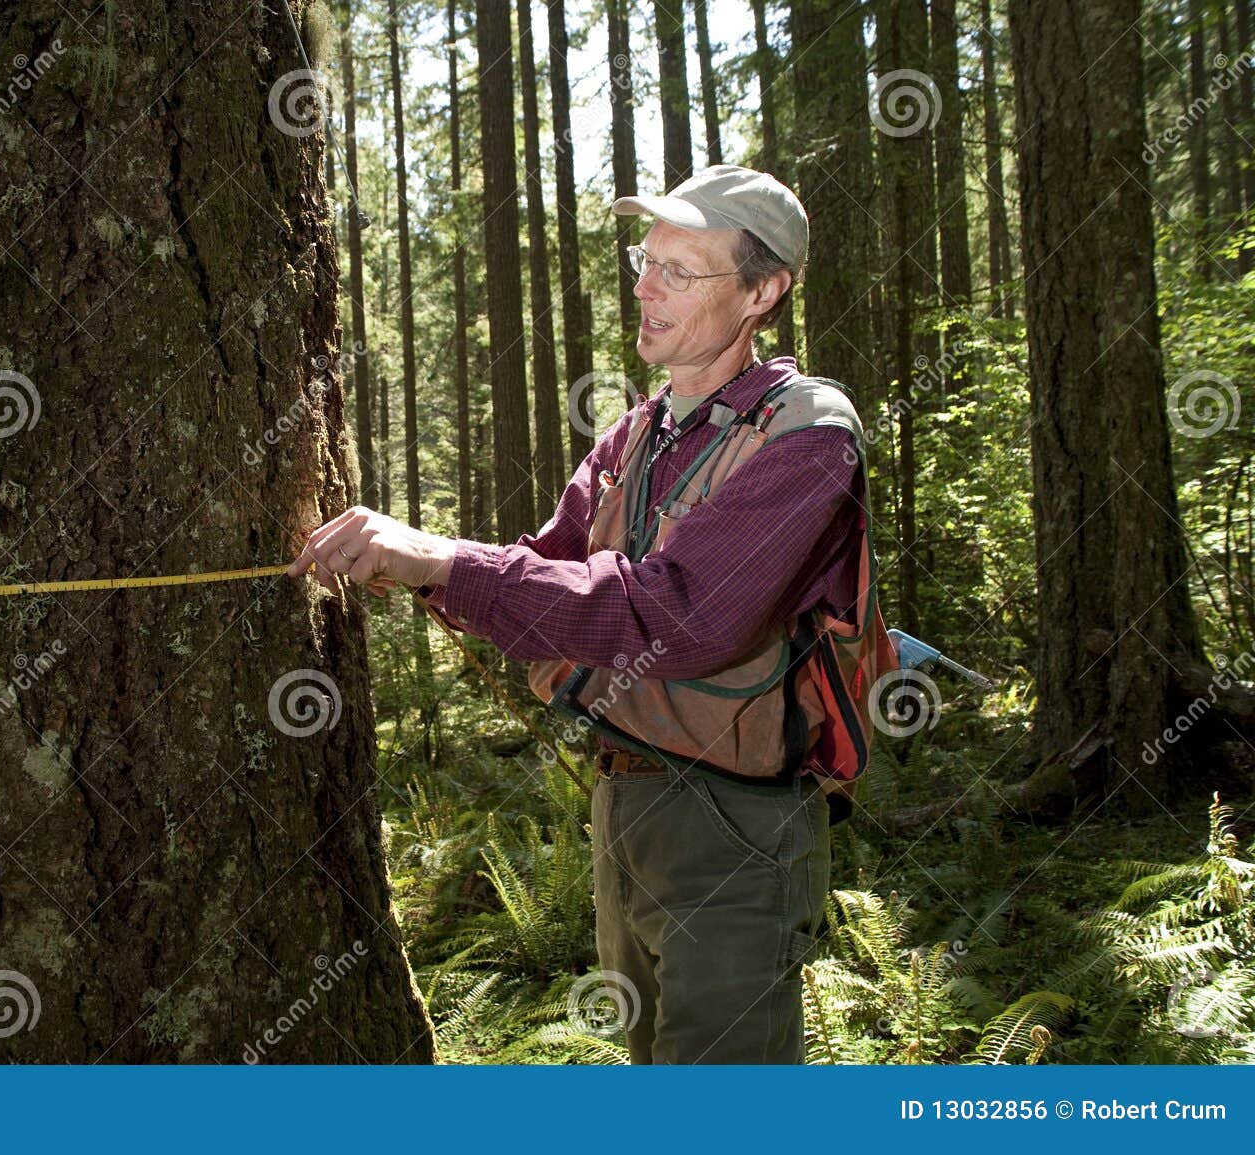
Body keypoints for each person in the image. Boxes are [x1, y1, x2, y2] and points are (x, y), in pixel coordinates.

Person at [287, 164, 867, 1064]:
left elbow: (681, 618)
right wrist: (417, 569)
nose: (645, 286)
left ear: (763, 291)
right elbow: (551, 583)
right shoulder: (635, 435)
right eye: (647, 259)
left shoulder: (808, 433)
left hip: (738, 828)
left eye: (682, 268)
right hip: (623, 804)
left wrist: (445, 560)